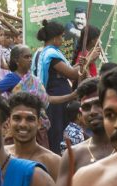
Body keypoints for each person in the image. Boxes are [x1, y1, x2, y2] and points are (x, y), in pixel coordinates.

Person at [33, 20, 86, 153]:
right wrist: (87, 61)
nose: (62, 40)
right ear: (55, 37)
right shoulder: (51, 55)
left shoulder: (42, 52)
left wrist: (80, 64)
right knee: (58, 133)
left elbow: (68, 70)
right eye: (62, 36)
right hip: (57, 100)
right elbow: (73, 75)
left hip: (56, 97)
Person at [6, 92, 62, 178]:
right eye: (17, 118)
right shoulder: (1, 156)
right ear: (9, 122)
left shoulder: (53, 162)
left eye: (30, 119)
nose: (23, 124)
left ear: (39, 123)